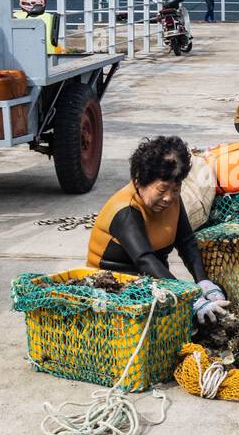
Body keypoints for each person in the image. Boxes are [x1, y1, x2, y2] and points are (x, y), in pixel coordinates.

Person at [86, 136, 229, 324]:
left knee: (217, 300)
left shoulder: (173, 202)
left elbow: (186, 242)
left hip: (152, 284)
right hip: (113, 289)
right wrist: (188, 297)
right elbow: (145, 259)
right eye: (162, 190)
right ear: (139, 181)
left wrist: (203, 282)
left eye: (175, 189)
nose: (169, 198)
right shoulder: (125, 210)